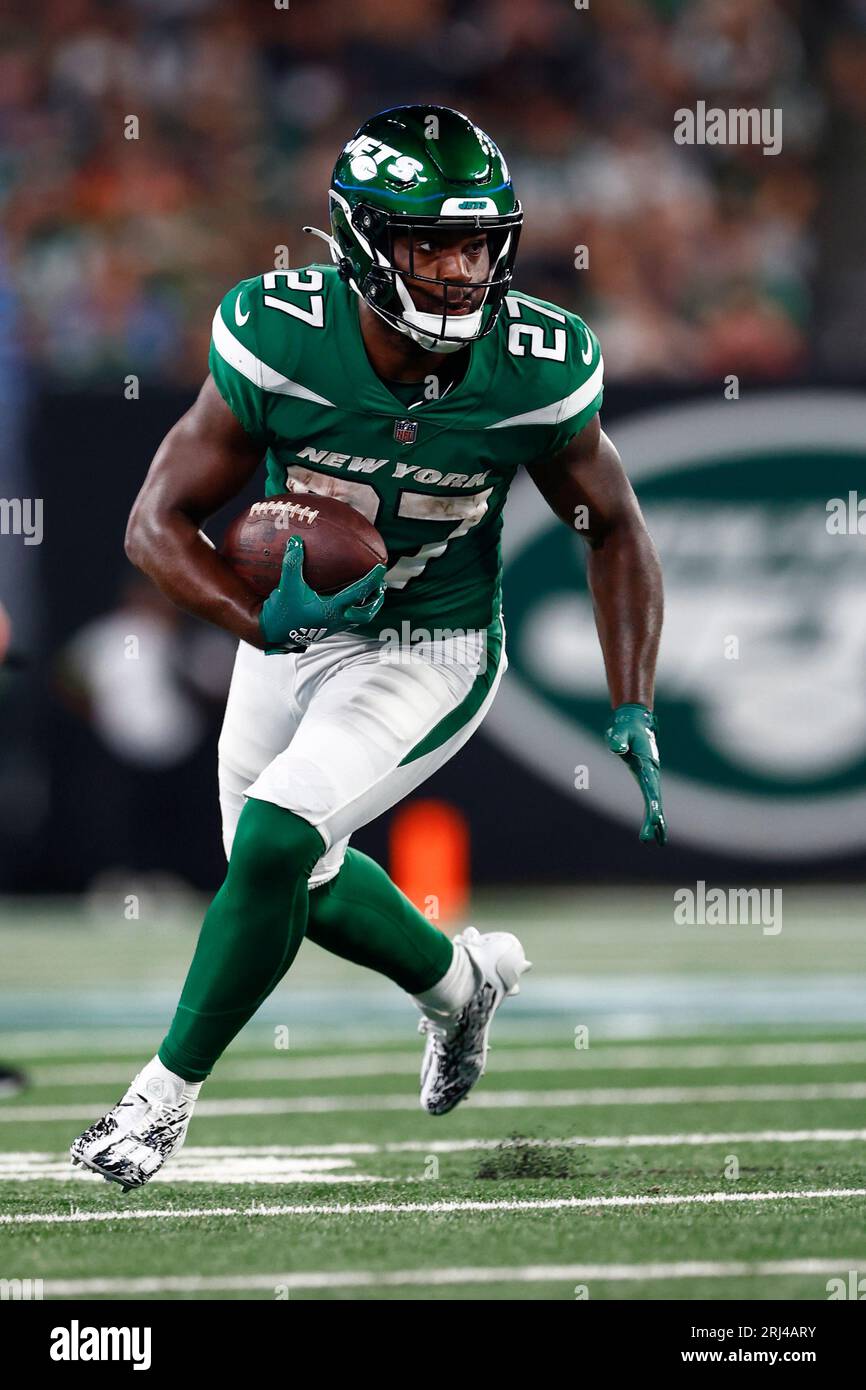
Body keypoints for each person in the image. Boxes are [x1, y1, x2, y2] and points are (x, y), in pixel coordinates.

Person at [71, 106, 665, 1191]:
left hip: (429, 642)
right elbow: (153, 527)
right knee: (297, 867)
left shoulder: (533, 366)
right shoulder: (279, 335)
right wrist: (260, 622)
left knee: (273, 838)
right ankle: (458, 986)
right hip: (293, 630)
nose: (456, 269)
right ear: (359, 242)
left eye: (475, 243)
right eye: (426, 243)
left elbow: (613, 524)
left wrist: (632, 697)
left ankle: (156, 1105)